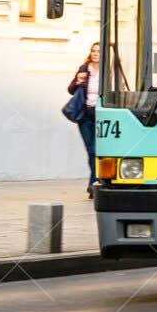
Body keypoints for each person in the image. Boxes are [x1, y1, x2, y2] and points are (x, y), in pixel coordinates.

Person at [67, 43, 100, 197]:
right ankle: (94, 182)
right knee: (91, 150)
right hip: (85, 113)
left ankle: (93, 183)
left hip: (101, 113)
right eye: (93, 51)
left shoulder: (108, 70)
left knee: (98, 150)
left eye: (99, 51)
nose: (95, 54)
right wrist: (78, 81)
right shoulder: (84, 68)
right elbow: (71, 89)